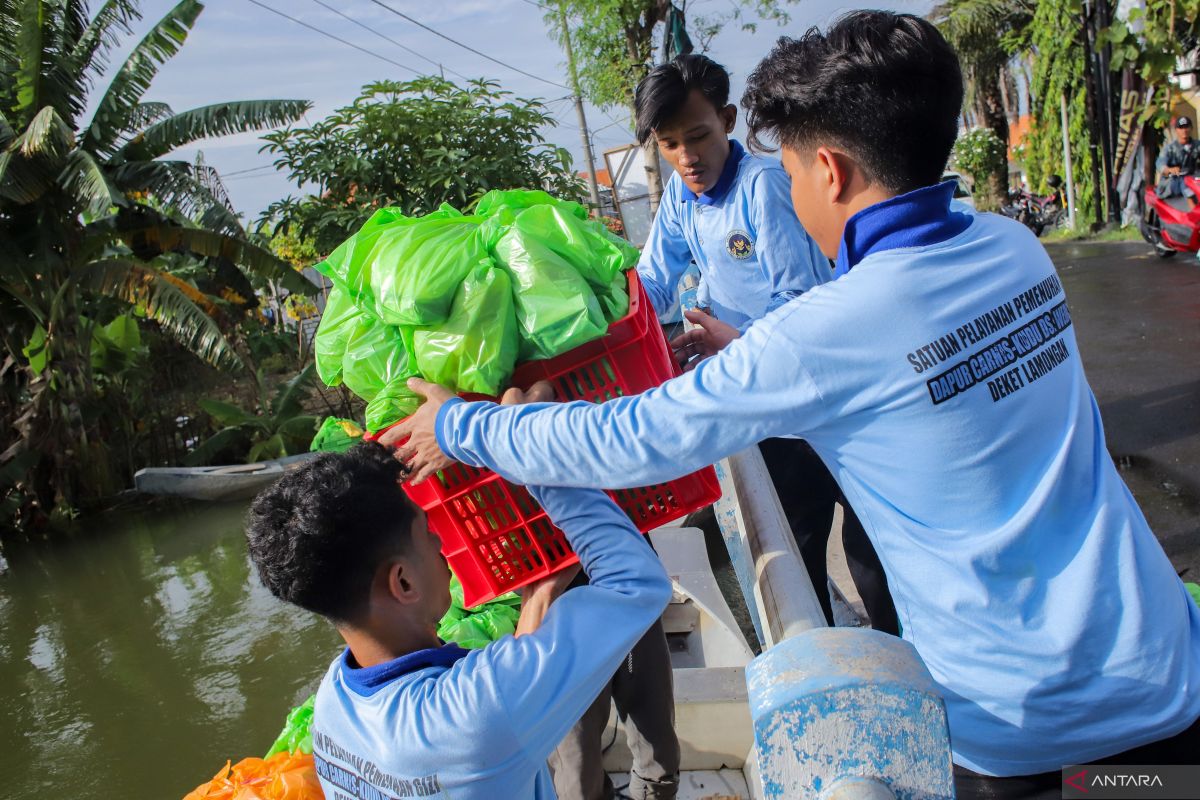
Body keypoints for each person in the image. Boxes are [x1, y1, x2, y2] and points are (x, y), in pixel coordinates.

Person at [387, 12, 1200, 799]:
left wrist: (462, 424)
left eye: (797, 165)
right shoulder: (1014, 251)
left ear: (832, 172)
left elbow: (637, 435)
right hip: (1167, 679)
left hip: (1027, 736)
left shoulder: (824, 334)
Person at [244, 389, 672, 800]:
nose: (441, 544)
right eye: (429, 534)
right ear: (403, 583)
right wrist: (525, 445)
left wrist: (538, 598)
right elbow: (636, 583)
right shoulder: (476, 712)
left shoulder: (332, 709)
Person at [636, 53, 899, 635]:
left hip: (821, 393)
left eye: (699, 137)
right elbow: (652, 280)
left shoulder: (764, 189)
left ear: (727, 120)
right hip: (763, 401)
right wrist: (617, 317)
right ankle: (831, 671)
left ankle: (908, 664)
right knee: (793, 547)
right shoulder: (681, 194)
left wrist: (732, 339)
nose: (687, 158)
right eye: (671, 143)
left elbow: (803, 305)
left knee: (867, 545)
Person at [1156, 115, 1197, 205]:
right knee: (1185, 183)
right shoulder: (1170, 148)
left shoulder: (1197, 145)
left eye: (1186, 127)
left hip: (1194, 180)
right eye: (1181, 128)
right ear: (1176, 130)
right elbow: (1160, 163)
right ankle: (1195, 214)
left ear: (1191, 128)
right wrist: (1169, 170)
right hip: (1174, 182)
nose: (1184, 130)